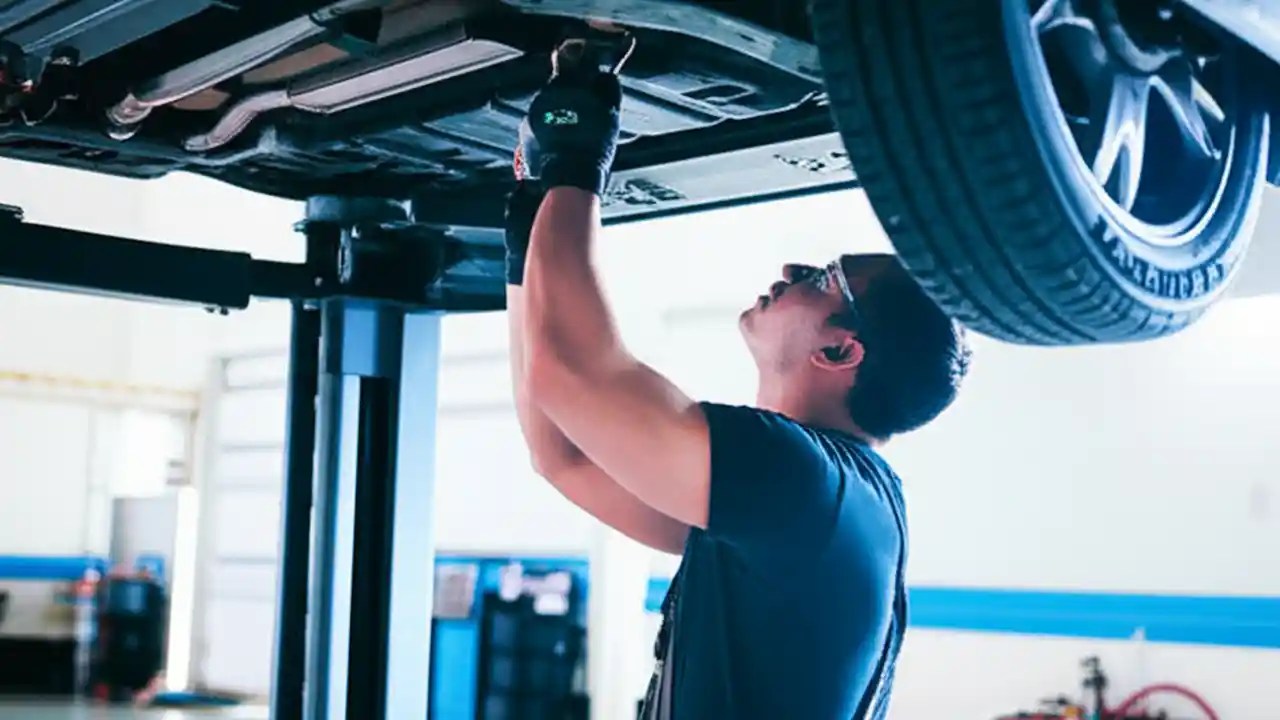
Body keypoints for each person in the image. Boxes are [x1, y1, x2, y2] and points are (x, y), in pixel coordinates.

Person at [503, 61, 972, 720]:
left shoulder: (805, 483)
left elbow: (570, 373)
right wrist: (535, 211)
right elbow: (566, 452)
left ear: (841, 350)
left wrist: (575, 159)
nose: (790, 270)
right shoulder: (824, 501)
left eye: (824, 277)